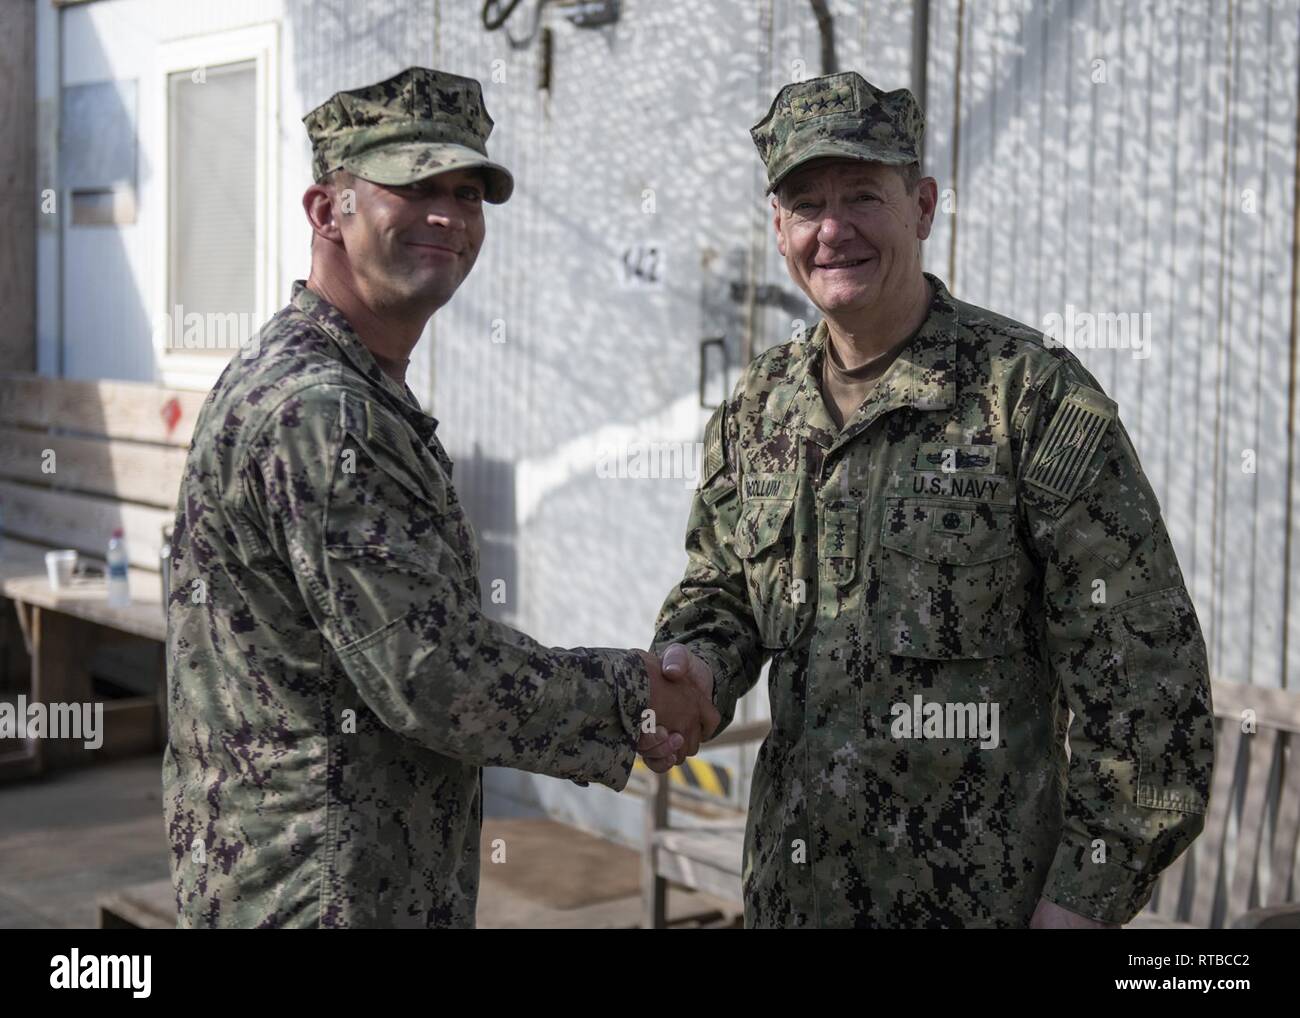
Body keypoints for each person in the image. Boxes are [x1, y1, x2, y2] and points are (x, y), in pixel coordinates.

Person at [647, 70, 1215, 928]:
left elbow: (1147, 685)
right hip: (792, 901)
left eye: (862, 196)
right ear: (778, 228)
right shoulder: (754, 410)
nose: (833, 230)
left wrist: (1083, 901)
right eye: (806, 205)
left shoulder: (1031, 400)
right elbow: (723, 593)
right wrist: (692, 666)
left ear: (922, 205)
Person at [162, 66, 716, 929]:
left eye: (468, 193)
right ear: (327, 212)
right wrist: (633, 696)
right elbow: (430, 672)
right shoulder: (325, 409)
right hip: (324, 892)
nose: (451, 218)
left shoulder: (339, 382)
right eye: (415, 187)